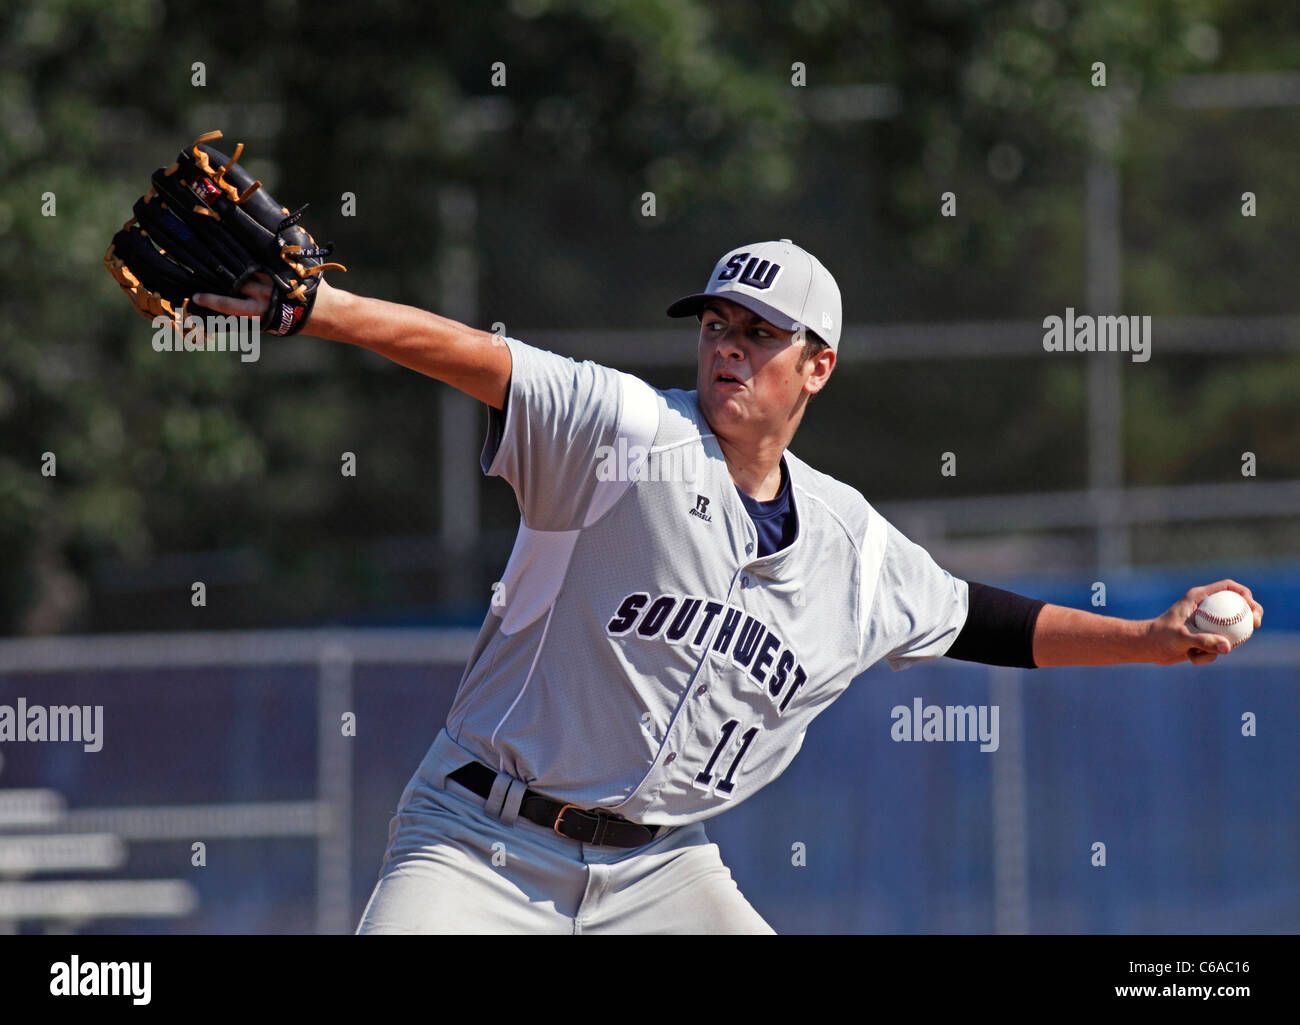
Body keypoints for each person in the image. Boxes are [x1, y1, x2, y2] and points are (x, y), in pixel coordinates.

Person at [197, 239, 1263, 934]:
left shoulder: (852, 542)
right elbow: (486, 359)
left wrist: (1148, 636)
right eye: (716, 323)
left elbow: (984, 620)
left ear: (818, 365)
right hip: (479, 840)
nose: (727, 345)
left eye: (760, 332)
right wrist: (319, 311)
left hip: (659, 874)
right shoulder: (624, 433)